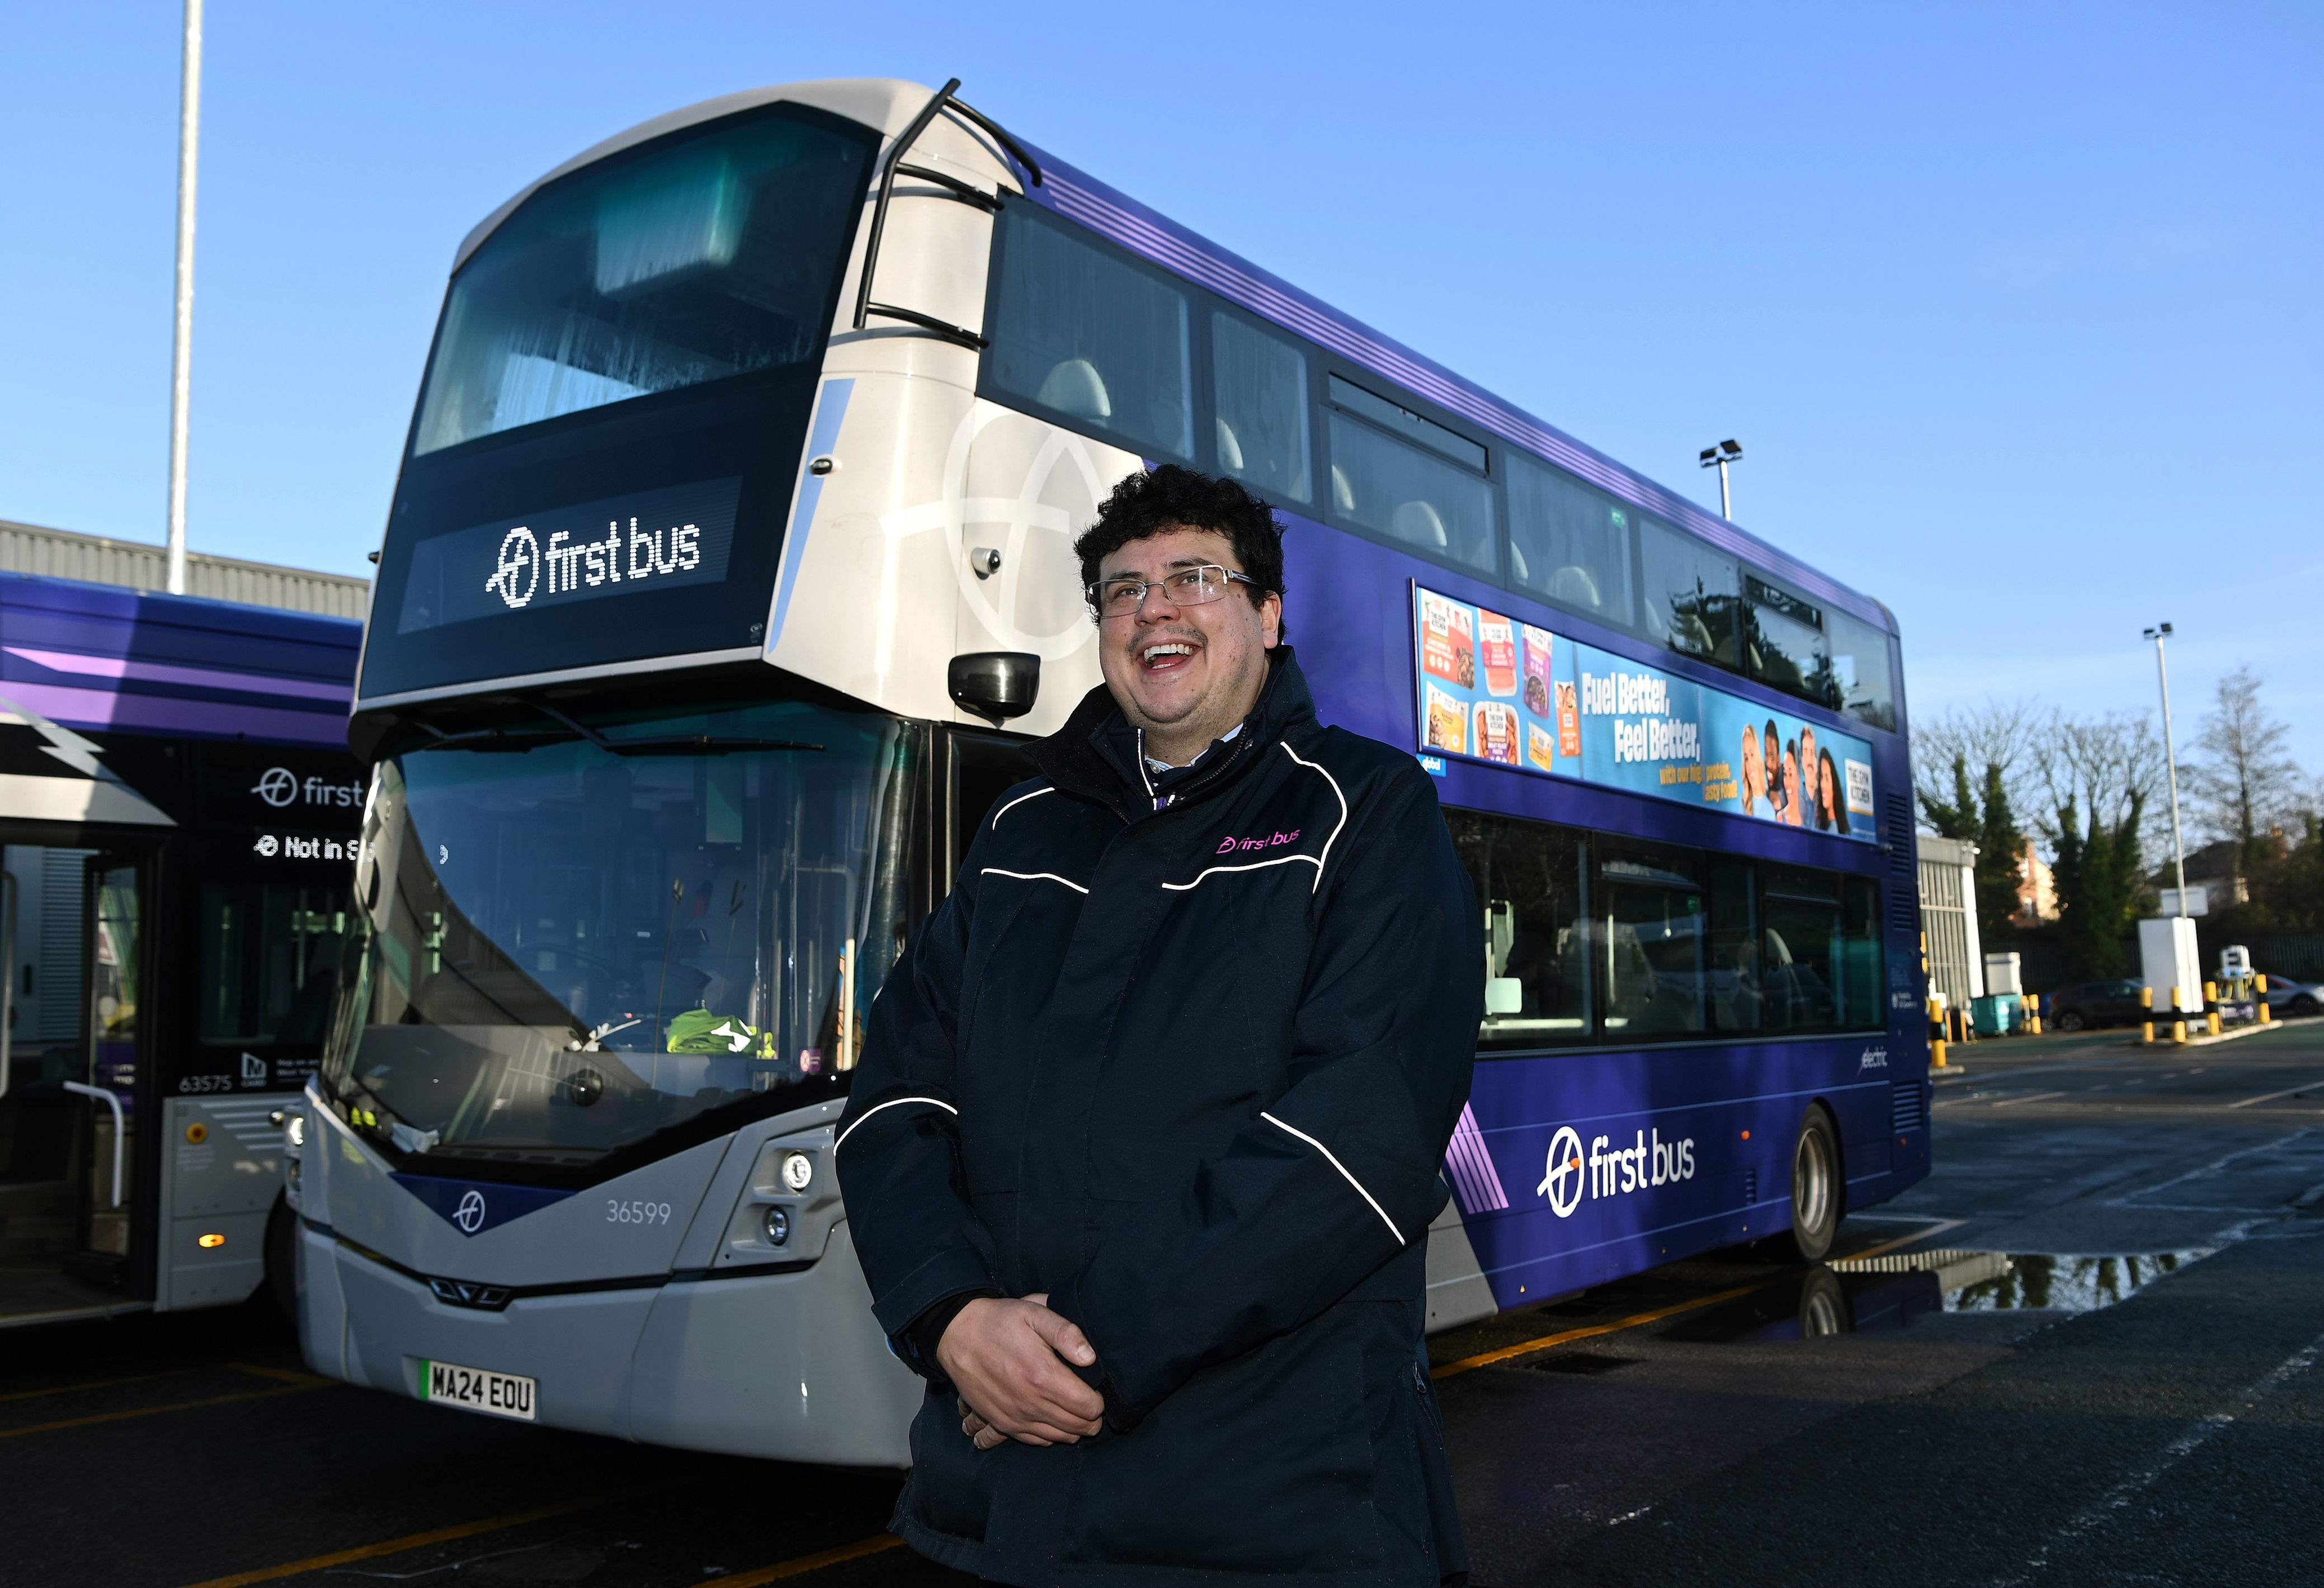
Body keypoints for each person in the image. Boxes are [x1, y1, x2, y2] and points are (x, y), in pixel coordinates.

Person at [836, 465, 1482, 1587]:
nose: (1153, 609)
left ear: (1267, 615)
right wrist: (949, 1318)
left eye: (1194, 577)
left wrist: (1074, 1352)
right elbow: (893, 1097)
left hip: (1269, 1520)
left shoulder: (1365, 810)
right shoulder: (1021, 830)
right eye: (1123, 589)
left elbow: (1357, 1140)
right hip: (995, 1516)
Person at [1817, 747, 1849, 835]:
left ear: (1834, 785)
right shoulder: (1822, 824)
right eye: (1821, 777)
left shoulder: (1833, 830)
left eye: (1827, 778)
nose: (1823, 785)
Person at [1797, 724, 1820, 828]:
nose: (1810, 759)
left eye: (1812, 752)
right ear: (1802, 759)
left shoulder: (1825, 801)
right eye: (1806, 752)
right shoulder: (1796, 800)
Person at [1738, 722, 1762, 816]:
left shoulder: (1771, 803)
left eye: (1752, 755)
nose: (1750, 765)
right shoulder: (1744, 803)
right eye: (1746, 758)